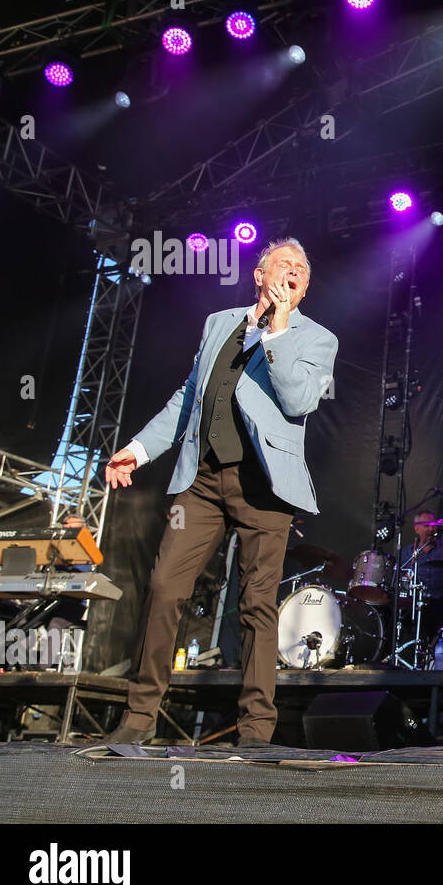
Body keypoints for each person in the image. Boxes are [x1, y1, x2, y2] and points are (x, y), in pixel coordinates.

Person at [102, 238, 337, 746]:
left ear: (305, 286)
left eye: (302, 268)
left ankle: (255, 730)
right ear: (259, 275)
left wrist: (277, 330)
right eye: (284, 263)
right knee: (165, 586)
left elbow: (298, 401)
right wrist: (140, 450)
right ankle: (139, 717)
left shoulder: (317, 339)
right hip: (203, 480)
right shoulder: (218, 323)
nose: (294, 270)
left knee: (257, 605)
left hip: (265, 488)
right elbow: (189, 396)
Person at [398, 510, 443, 658]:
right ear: (416, 528)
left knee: (437, 636)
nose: (431, 529)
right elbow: (400, 578)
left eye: (434, 525)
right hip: (413, 603)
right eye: (426, 525)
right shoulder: (407, 552)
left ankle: (433, 663)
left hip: (438, 603)